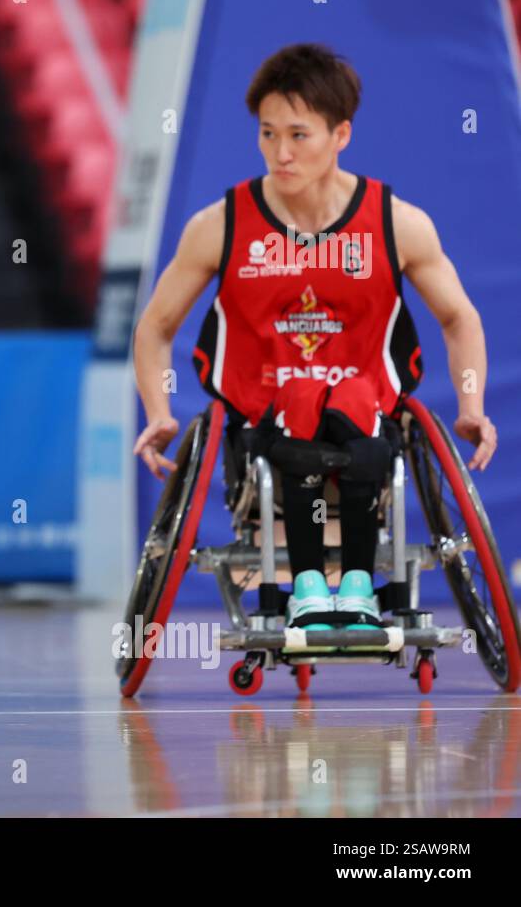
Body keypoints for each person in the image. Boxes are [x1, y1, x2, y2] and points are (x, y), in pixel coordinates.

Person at [132, 43, 496, 634]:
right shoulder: (220, 225)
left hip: (363, 403)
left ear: (341, 134)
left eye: (299, 135)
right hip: (265, 408)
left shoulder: (395, 222)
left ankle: (356, 589)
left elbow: (460, 317)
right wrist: (158, 410)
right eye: (268, 133)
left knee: (362, 428)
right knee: (297, 421)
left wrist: (472, 405)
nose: (281, 152)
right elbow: (155, 326)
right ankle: (305, 586)